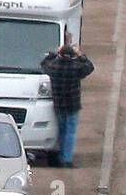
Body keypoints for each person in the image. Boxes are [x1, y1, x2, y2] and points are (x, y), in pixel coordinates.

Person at [39, 39, 94, 169]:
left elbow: (44, 63)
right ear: (72, 55)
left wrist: (53, 53)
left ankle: (59, 156)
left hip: (58, 104)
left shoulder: (54, 67)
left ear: (61, 54)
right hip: (73, 104)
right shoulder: (76, 67)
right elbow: (90, 67)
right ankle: (66, 159)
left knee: (61, 131)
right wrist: (80, 54)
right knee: (70, 132)